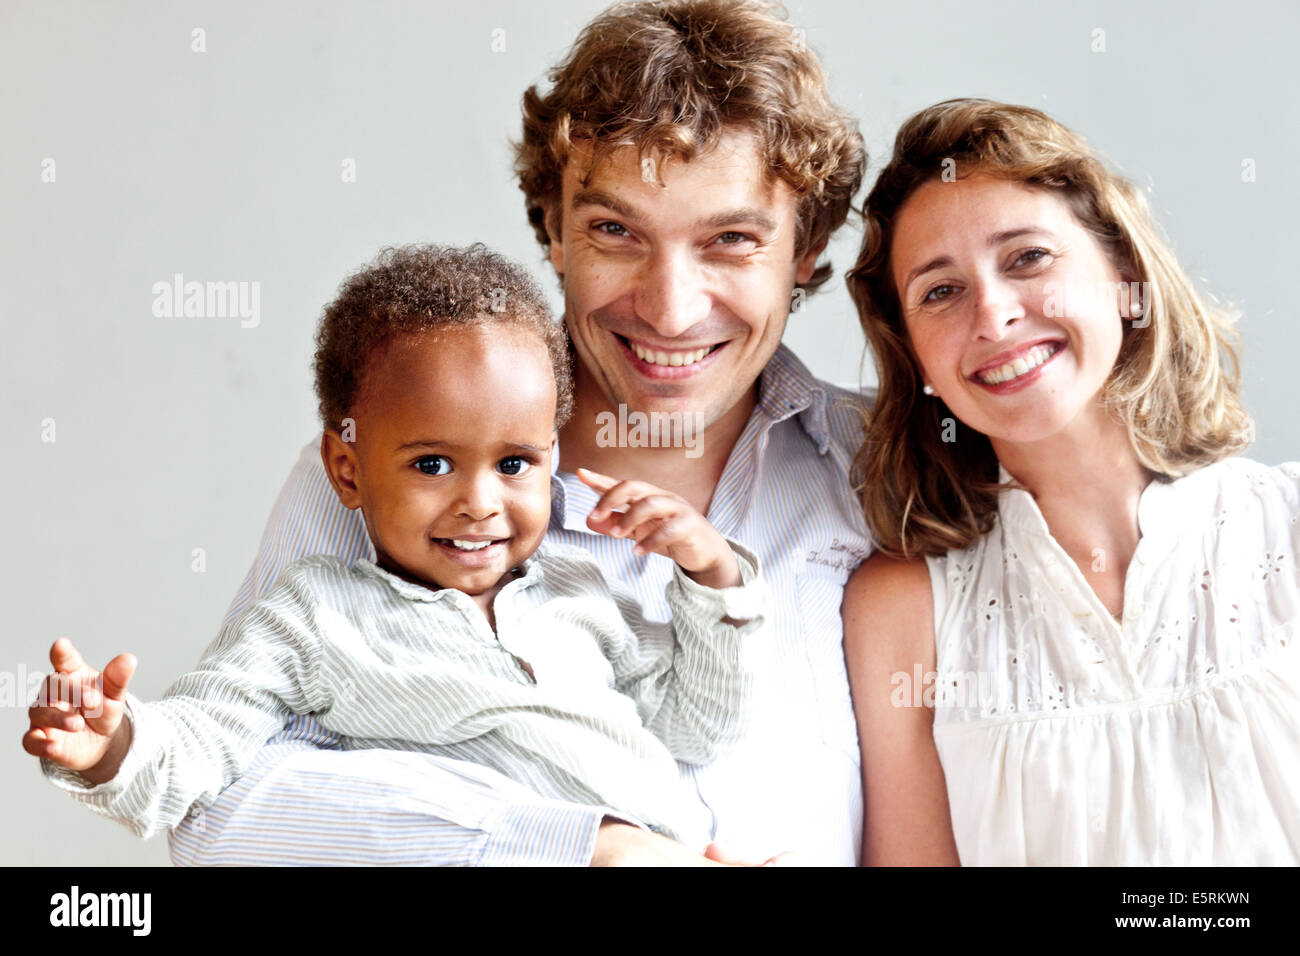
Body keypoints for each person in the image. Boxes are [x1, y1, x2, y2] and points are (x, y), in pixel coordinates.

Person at [166, 0, 872, 866]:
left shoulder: (879, 472)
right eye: (615, 231)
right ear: (552, 229)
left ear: (806, 251)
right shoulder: (391, 481)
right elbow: (222, 814)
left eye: (730, 240)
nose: (669, 308)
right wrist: (582, 849)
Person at [27, 244, 769, 852]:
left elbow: (694, 727)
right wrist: (114, 743)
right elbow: (203, 743)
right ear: (347, 470)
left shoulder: (578, 591)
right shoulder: (319, 615)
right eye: (432, 464)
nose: (480, 502)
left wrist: (712, 573)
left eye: (514, 464)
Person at [843, 98, 1300, 866]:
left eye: (1027, 258)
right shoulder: (902, 611)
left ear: (1127, 279)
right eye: (940, 292)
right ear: (915, 358)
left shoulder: (1288, 523)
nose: (993, 316)